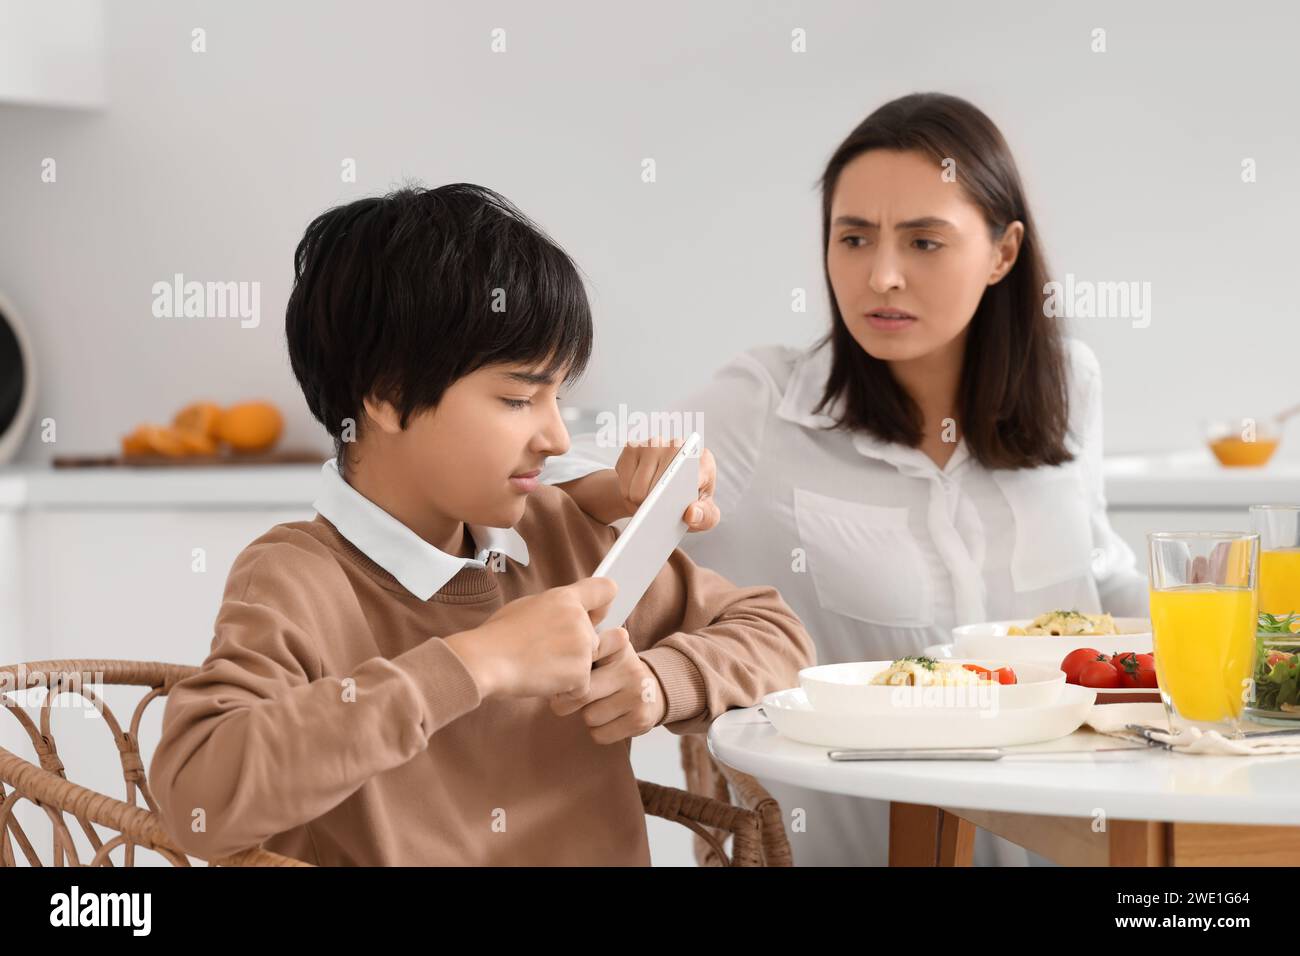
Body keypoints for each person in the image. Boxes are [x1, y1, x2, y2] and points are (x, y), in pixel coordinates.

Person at [541, 92, 1148, 866]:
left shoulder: (1070, 385)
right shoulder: (764, 406)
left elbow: (1101, 571)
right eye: (854, 238)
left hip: (1070, 847)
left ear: (1003, 253)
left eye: (924, 242)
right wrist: (623, 488)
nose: (882, 276)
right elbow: (545, 465)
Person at [148, 183, 815, 865]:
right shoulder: (298, 579)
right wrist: (475, 663)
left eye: (559, 396)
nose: (556, 435)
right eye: (519, 397)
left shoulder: (561, 533)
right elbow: (198, 800)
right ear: (386, 393)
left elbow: (780, 640)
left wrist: (656, 684)